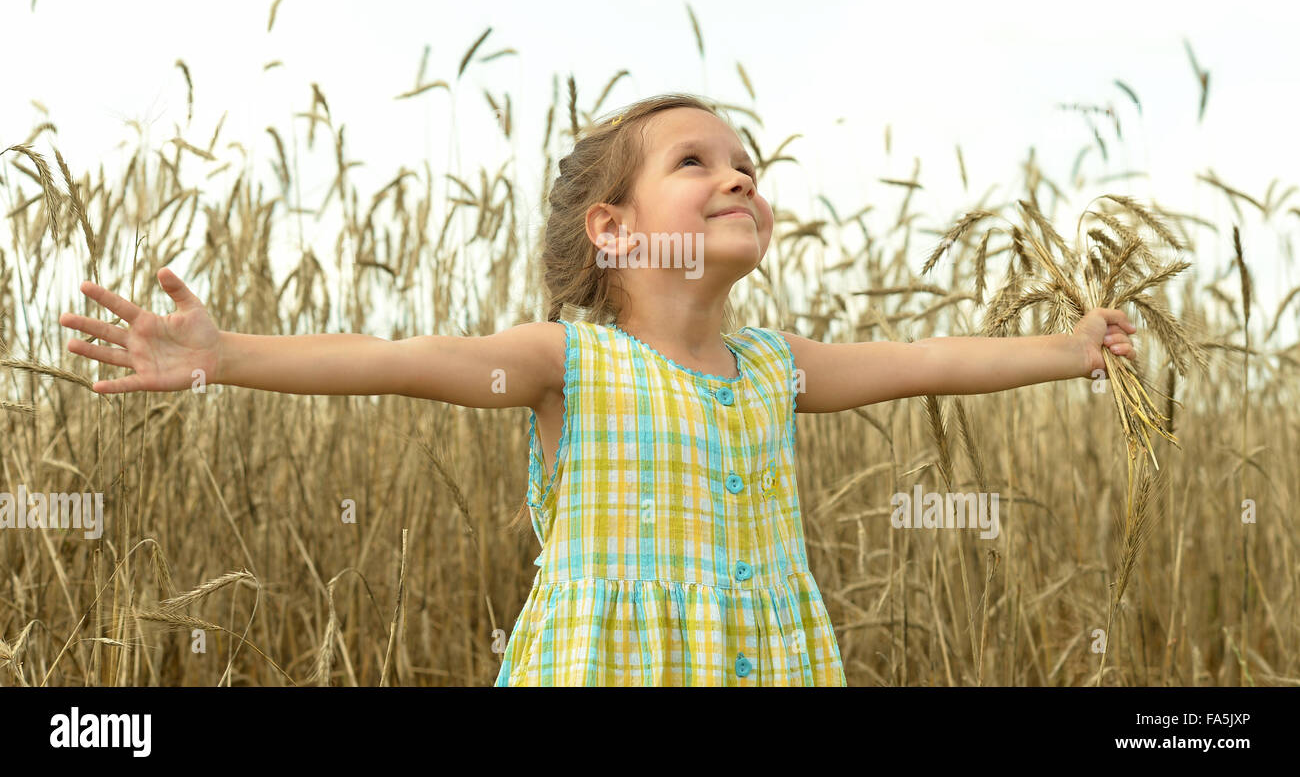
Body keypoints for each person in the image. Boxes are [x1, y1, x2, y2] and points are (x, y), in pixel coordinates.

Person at [59, 92, 1138, 686]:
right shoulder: (567, 362)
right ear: (612, 228)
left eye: (746, 163)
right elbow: (395, 357)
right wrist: (224, 352)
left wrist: (1069, 346)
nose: (739, 176)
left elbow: (930, 364)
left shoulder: (775, 365)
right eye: (694, 162)